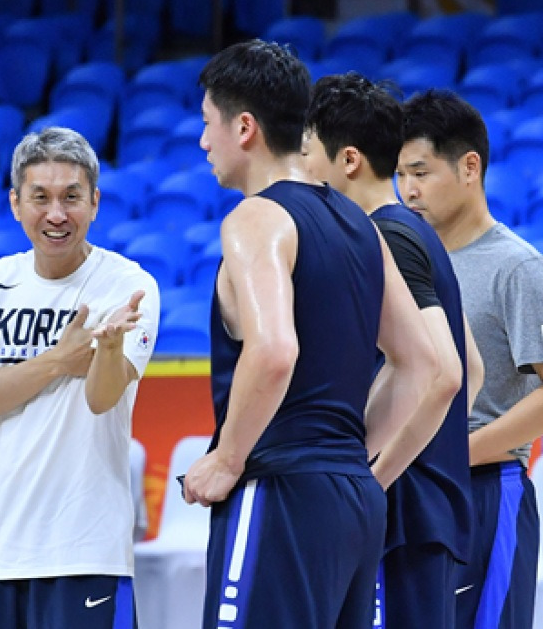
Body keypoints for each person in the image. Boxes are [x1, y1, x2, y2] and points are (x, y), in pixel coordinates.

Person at [179, 40, 457, 629]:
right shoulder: (362, 225)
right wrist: (349, 454)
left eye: (208, 124)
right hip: (354, 500)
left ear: (245, 127)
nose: (204, 141)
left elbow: (276, 349)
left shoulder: (255, 218)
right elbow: (422, 364)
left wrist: (227, 459)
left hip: (280, 491)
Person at [0, 126, 160, 629]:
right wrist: (59, 361)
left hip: (85, 548)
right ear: (16, 203)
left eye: (72, 197)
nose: (57, 214)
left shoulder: (129, 285)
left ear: (95, 202)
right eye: (40, 198)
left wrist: (106, 351)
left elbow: (102, 398)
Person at [399, 90, 543, 629]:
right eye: (399, 174)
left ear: (469, 167)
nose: (407, 190)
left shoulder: (517, 268)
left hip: (484, 491)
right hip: (412, 487)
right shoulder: (403, 263)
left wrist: (458, 452)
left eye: (421, 172)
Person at [303, 72, 482, 629]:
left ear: (347, 160)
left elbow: (446, 374)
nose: (303, 168)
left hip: (403, 512)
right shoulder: (413, 230)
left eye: (308, 151)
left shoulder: (388, 236)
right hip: (426, 508)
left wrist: (373, 477)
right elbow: (471, 368)